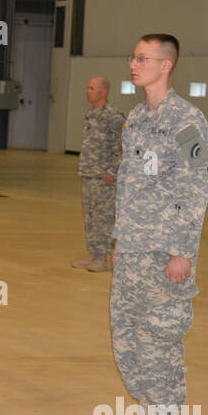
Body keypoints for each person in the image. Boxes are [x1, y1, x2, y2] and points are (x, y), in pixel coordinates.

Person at [101, 34, 208, 415]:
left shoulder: (186, 119)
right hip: (132, 248)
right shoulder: (138, 117)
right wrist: (117, 240)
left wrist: (183, 250)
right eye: (132, 56)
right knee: (126, 337)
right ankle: (148, 414)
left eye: (143, 58)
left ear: (166, 65)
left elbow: (195, 186)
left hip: (165, 251)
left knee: (159, 337)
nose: (133, 64)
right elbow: (129, 187)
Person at [72, 76, 125, 272]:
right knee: (91, 217)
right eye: (87, 87)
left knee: (104, 217)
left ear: (104, 92)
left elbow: (125, 148)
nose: (88, 91)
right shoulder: (91, 115)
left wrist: (113, 172)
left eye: (92, 88)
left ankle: (103, 258)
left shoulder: (113, 117)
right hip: (89, 175)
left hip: (105, 179)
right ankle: (93, 254)